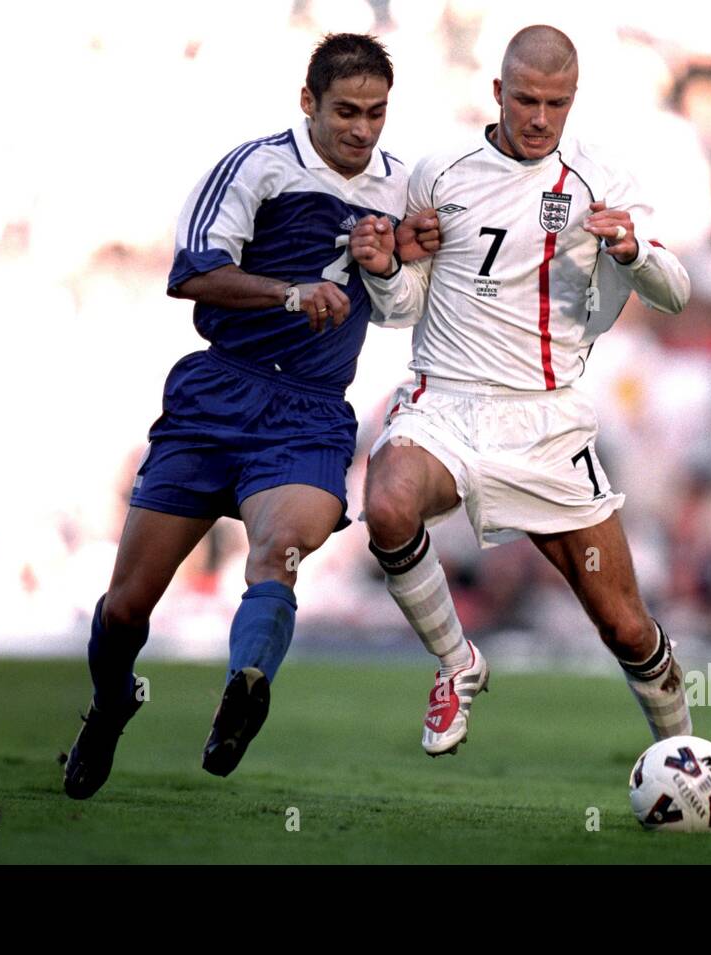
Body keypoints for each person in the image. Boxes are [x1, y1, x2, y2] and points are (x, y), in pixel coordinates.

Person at [64, 32, 439, 799]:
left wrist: (398, 258)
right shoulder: (256, 166)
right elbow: (192, 273)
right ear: (308, 102)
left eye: (376, 113)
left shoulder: (404, 187)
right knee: (131, 600)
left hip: (308, 414)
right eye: (345, 111)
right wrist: (288, 291)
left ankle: (246, 684)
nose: (362, 130)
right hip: (218, 393)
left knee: (280, 551)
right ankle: (110, 699)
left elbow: (404, 305)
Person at [349, 24, 693, 757]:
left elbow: (677, 293)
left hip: (546, 425)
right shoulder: (440, 173)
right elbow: (400, 308)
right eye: (528, 100)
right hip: (445, 403)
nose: (540, 119)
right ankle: (457, 661)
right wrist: (385, 270)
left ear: (574, 102)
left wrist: (631, 251)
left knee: (625, 625)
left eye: (557, 103)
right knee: (386, 503)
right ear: (498, 93)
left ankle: (683, 754)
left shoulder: (600, 180)